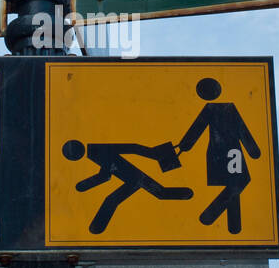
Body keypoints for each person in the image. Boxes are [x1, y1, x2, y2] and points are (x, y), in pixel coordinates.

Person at [176, 77, 259, 234]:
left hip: (220, 151)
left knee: (236, 182)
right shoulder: (225, 108)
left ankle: (233, 227)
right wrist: (253, 151)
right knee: (239, 181)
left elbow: (197, 129)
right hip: (230, 151)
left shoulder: (216, 108)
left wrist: (185, 146)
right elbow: (242, 131)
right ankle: (213, 214)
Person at [62, 139, 191, 234]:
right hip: (132, 178)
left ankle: (97, 228)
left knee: (113, 200)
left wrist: (155, 154)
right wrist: (154, 153)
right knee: (113, 200)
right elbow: (132, 148)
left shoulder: (97, 150)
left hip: (134, 177)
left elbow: (105, 175)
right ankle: (96, 228)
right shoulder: (95, 150)